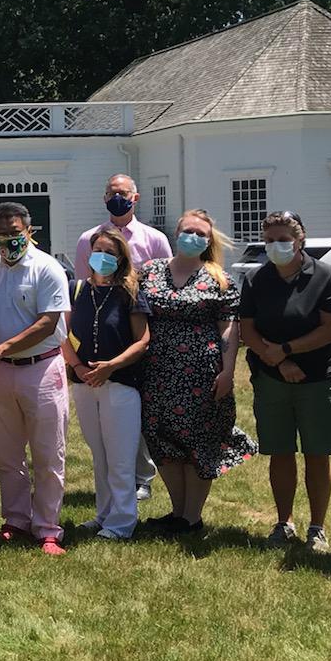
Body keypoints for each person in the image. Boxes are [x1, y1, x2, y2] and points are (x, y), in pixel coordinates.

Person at [139, 209, 256, 536]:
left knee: (197, 445)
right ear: (176, 233)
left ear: (208, 241)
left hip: (201, 374)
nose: (193, 237)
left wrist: (228, 372)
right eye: (187, 231)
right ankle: (178, 513)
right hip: (157, 373)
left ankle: (192, 517)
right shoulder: (151, 271)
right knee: (163, 444)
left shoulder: (219, 277)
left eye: (200, 234)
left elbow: (228, 328)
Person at [238, 212, 331, 553]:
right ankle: (284, 522)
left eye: (283, 239)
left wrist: (287, 350)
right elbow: (247, 329)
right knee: (280, 451)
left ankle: (317, 528)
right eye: (269, 240)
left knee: (317, 452)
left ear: (300, 240)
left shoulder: (325, 276)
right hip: (271, 378)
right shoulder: (257, 279)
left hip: (317, 378)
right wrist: (281, 361)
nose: (275, 246)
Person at [0, 202, 71, 552]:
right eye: (0, 236)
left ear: (29, 231)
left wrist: (3, 347)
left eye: (14, 234)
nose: (8, 242)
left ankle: (47, 528)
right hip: (0, 374)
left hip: (41, 369)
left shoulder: (47, 268)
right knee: (8, 454)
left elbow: (48, 322)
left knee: (48, 454)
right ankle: (15, 519)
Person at [73, 173, 172, 504]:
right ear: (104, 198)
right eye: (111, 193)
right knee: (109, 424)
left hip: (140, 328)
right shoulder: (89, 237)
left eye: (123, 193)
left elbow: (163, 285)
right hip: (104, 331)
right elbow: (83, 289)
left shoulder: (155, 239)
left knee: (134, 411)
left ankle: (142, 475)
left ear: (136, 197)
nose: (117, 197)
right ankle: (119, 486)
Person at [60, 228, 149, 541]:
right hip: (84, 384)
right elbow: (63, 335)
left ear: (121, 257)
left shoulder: (130, 293)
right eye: (98, 250)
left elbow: (143, 341)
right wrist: (78, 367)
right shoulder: (76, 289)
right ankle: (104, 514)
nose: (104, 257)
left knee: (121, 457)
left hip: (121, 384)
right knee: (99, 454)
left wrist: (111, 366)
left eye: (111, 252)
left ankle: (123, 522)